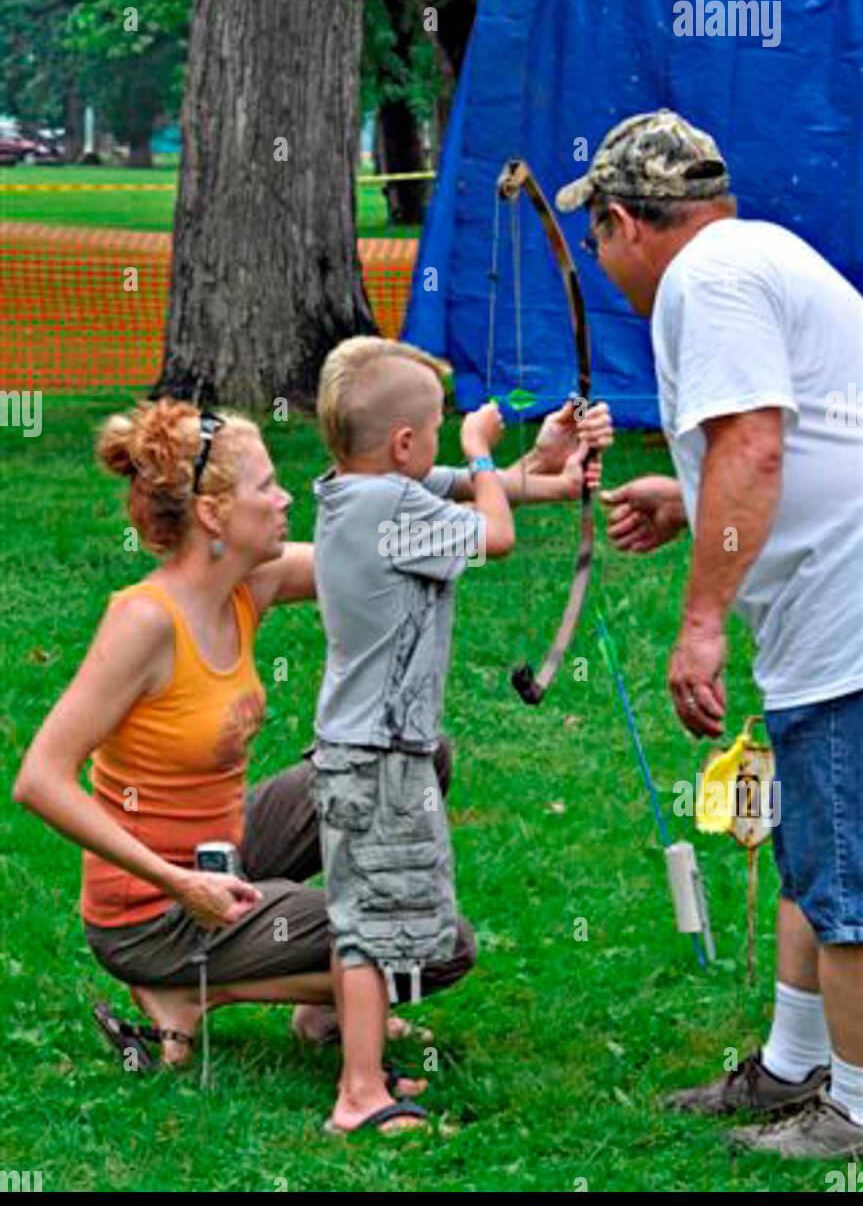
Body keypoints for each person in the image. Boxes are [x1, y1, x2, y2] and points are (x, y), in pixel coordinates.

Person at [13, 390, 608, 1075]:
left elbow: (413, 533)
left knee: (417, 758)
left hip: (222, 853)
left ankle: (320, 1010)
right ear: (213, 514)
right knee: (436, 949)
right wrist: (178, 885)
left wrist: (543, 470)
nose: (286, 498)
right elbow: (40, 780)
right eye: (266, 486)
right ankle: (188, 984)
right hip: (153, 914)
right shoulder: (144, 622)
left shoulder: (250, 581)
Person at [555, 108, 863, 1158]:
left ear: (619, 220)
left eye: (592, 236)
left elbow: (755, 443)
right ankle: (790, 1065)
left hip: (845, 611)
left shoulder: (706, 280)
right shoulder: (751, 252)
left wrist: (699, 624)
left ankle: (853, 1111)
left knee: (845, 871)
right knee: (808, 847)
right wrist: (689, 496)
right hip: (826, 607)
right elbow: (810, 429)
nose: (597, 260)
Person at [310, 336, 612, 1134]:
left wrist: (550, 459)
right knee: (372, 927)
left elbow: (497, 495)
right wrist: (483, 452)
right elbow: (495, 531)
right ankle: (359, 1095)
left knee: (370, 910)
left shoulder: (359, 488)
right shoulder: (391, 507)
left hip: (359, 751)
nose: (450, 442)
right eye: (440, 429)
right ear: (403, 444)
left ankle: (344, 1040)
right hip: (378, 756)